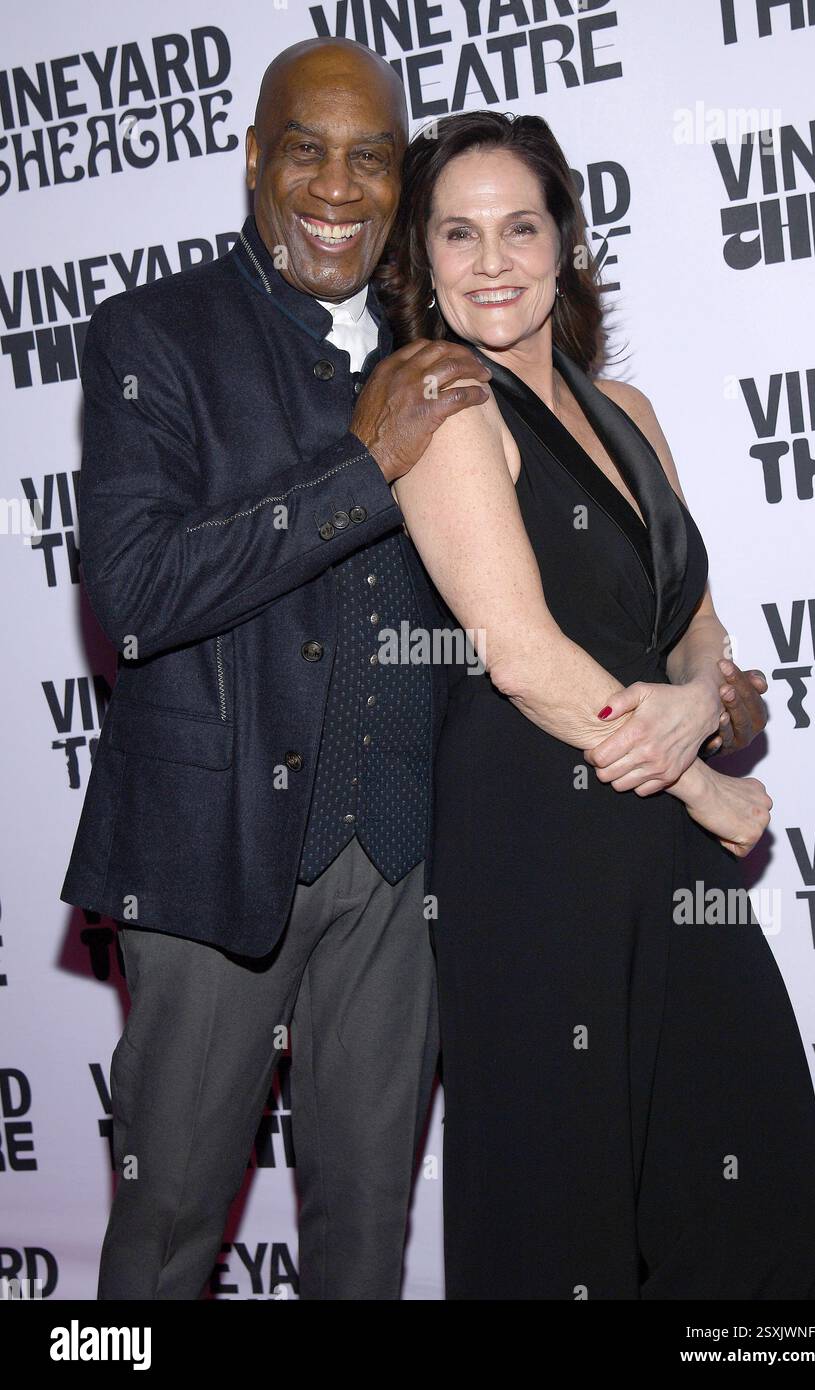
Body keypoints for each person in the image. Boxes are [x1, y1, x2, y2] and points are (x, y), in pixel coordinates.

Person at [379, 110, 815, 1300]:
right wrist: (695, 769)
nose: (492, 260)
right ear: (421, 264)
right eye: (458, 233)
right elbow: (521, 653)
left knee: (742, 1187)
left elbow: (697, 625)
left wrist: (696, 710)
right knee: (563, 1200)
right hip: (535, 843)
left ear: (567, 242)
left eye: (519, 226)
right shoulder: (440, 402)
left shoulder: (628, 411)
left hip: (665, 846)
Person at [59, 38, 493, 1301]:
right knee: (164, 1238)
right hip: (211, 856)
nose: (338, 187)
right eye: (307, 147)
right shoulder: (154, 334)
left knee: (364, 1239)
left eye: (371, 158)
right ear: (255, 156)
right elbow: (135, 594)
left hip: (400, 862)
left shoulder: (444, 341)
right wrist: (364, 471)